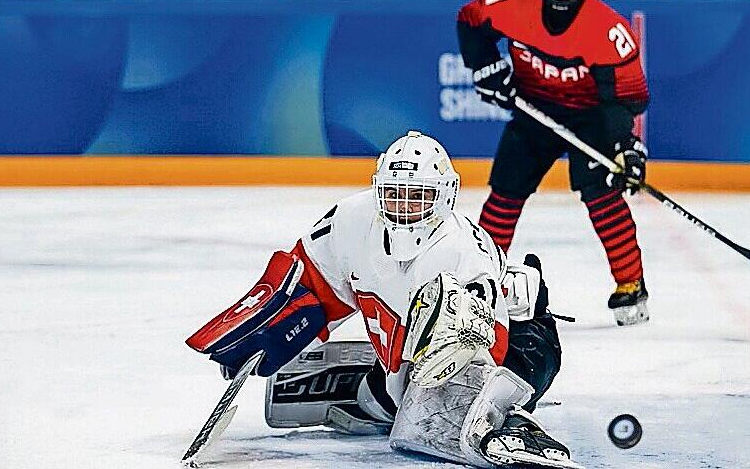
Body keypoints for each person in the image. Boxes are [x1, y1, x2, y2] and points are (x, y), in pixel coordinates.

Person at [185, 131, 579, 469]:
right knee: (378, 402)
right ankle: (390, 386)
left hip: (521, 343)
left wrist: (461, 400)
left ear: (446, 196)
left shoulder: (462, 253)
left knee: (424, 425)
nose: (403, 208)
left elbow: (488, 347)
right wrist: (272, 328)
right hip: (414, 353)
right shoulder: (351, 221)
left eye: (417, 196)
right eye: (394, 194)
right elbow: (310, 287)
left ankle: (510, 423)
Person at [457, 0, 651, 326]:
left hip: (590, 117)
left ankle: (630, 283)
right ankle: (476, 278)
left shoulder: (607, 29)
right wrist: (486, 68)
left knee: (602, 196)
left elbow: (625, 99)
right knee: (505, 193)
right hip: (533, 109)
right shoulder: (513, 3)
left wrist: (625, 146)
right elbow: (470, 20)